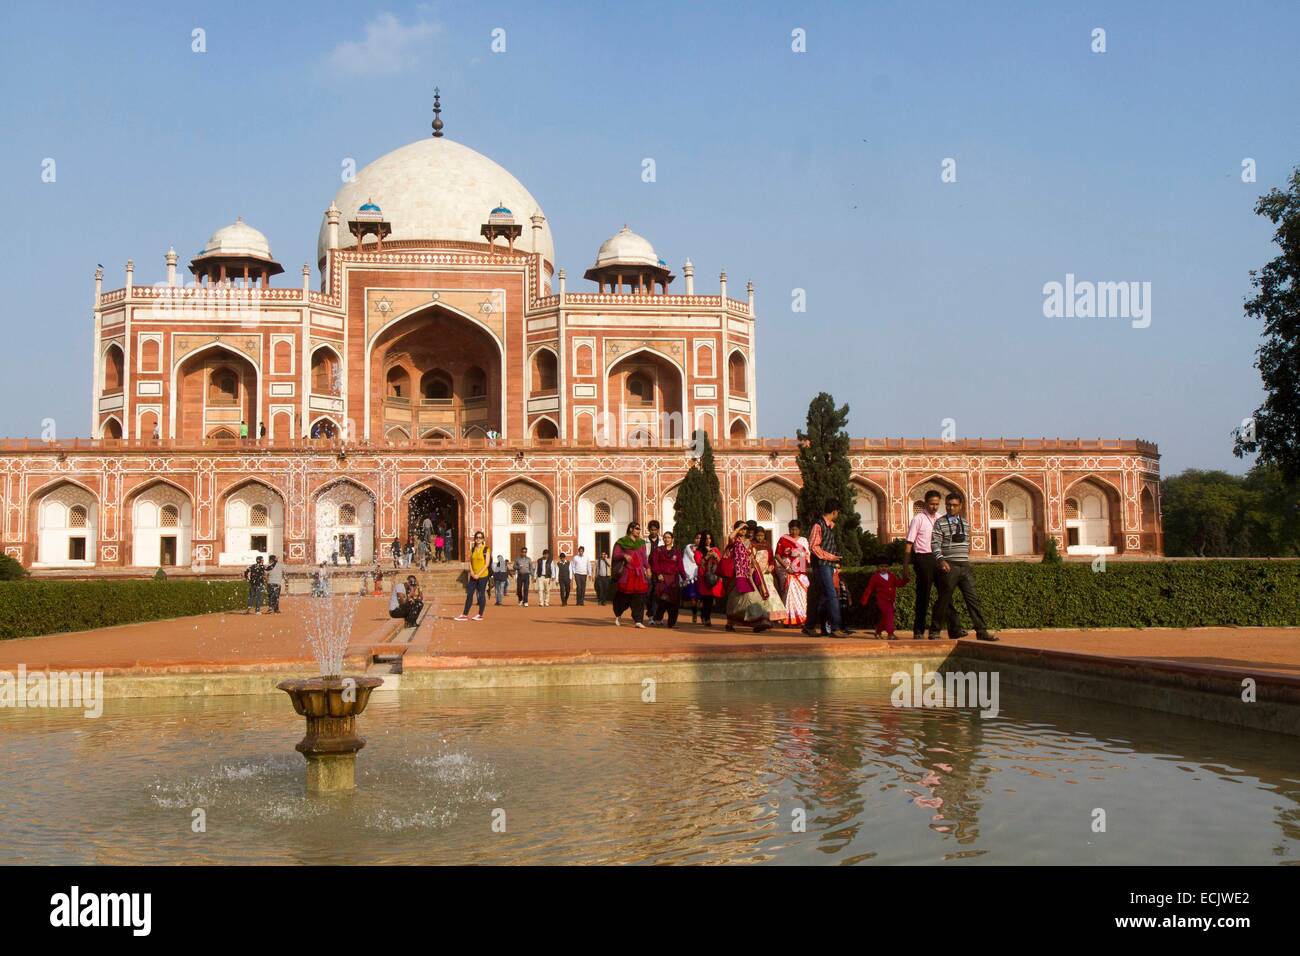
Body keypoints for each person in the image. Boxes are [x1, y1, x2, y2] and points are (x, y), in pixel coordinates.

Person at [930, 493, 998, 642]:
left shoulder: (965, 523)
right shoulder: (940, 522)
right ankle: (935, 631)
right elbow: (934, 543)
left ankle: (981, 631)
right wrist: (941, 560)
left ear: (960, 506)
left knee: (973, 599)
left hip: (964, 566)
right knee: (944, 600)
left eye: (954, 505)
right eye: (948, 505)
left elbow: (965, 542)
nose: (950, 507)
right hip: (949, 565)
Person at [904, 490, 963, 640]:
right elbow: (909, 543)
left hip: (939, 558)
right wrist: (905, 566)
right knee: (923, 595)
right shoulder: (918, 519)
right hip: (923, 559)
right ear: (925, 503)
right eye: (931, 504)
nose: (934, 507)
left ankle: (949, 629)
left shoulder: (940, 519)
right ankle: (918, 630)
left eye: (937, 504)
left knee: (945, 594)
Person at [805, 498, 853, 638]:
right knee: (831, 595)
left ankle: (809, 625)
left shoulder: (829, 526)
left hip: (827, 565)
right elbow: (813, 546)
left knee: (821, 596)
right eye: (838, 511)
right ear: (834, 511)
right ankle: (835, 628)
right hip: (822, 565)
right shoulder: (818, 525)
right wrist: (831, 557)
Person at [724, 523, 772, 632]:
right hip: (736, 574)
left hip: (747, 574)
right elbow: (731, 537)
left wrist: (752, 568)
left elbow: (751, 557)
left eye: (745, 529)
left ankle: (759, 621)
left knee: (752, 597)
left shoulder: (749, 543)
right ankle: (730, 623)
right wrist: (739, 527)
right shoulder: (734, 541)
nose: (744, 531)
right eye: (742, 529)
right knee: (734, 599)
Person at [611, 522, 650, 627]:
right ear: (631, 529)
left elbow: (644, 558)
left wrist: (648, 568)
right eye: (637, 528)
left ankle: (638, 620)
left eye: (639, 529)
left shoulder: (641, 542)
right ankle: (618, 614)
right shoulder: (622, 542)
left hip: (639, 574)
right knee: (624, 596)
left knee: (639, 597)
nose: (638, 531)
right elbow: (615, 556)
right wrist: (624, 555)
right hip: (627, 573)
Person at [860, 557, 909, 639]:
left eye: (886, 566)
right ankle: (890, 633)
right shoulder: (875, 577)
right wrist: (864, 599)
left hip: (891, 600)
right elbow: (869, 588)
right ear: (878, 567)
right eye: (882, 566)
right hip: (882, 600)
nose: (884, 568)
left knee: (885, 617)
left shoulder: (892, 576)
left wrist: (905, 580)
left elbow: (898, 583)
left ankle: (878, 631)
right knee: (889, 615)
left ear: (888, 567)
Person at [776, 520, 811, 628]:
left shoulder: (804, 540)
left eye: (796, 529)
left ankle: (801, 618)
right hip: (787, 571)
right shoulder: (783, 539)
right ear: (788, 529)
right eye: (791, 529)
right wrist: (787, 567)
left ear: (800, 530)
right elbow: (777, 555)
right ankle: (787, 618)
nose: (793, 531)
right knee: (787, 593)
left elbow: (806, 555)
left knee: (801, 595)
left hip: (800, 571)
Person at [752, 526, 787, 624]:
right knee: (759, 595)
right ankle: (762, 616)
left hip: (766, 574)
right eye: (758, 535)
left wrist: (771, 566)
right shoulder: (752, 545)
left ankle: (776, 616)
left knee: (771, 594)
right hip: (756, 574)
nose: (760, 537)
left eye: (762, 535)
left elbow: (771, 559)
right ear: (755, 535)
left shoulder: (767, 545)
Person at [650, 531, 684, 628]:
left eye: (669, 537)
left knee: (674, 601)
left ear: (672, 539)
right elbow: (655, 563)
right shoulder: (659, 550)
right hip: (663, 579)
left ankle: (671, 623)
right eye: (665, 537)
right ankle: (658, 618)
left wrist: (685, 577)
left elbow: (680, 565)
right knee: (663, 599)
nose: (666, 539)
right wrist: (658, 574)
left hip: (674, 579)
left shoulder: (677, 551)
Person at [456, 530, 491, 621]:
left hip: (483, 575)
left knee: (481, 594)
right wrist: (471, 572)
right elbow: (470, 562)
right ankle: (464, 615)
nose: (478, 539)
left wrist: (478, 574)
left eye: (480, 537)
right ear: (474, 539)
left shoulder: (486, 549)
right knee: (469, 594)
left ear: (483, 539)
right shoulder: (473, 549)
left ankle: (480, 614)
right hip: (473, 575)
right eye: (477, 537)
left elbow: (486, 564)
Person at [694, 530, 723, 626]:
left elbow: (720, 563)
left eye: (710, 538)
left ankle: (705, 615)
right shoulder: (698, 551)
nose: (708, 540)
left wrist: (716, 557)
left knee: (711, 598)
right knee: (706, 598)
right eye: (706, 538)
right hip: (703, 577)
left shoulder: (716, 549)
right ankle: (706, 617)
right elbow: (699, 562)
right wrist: (707, 556)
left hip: (714, 577)